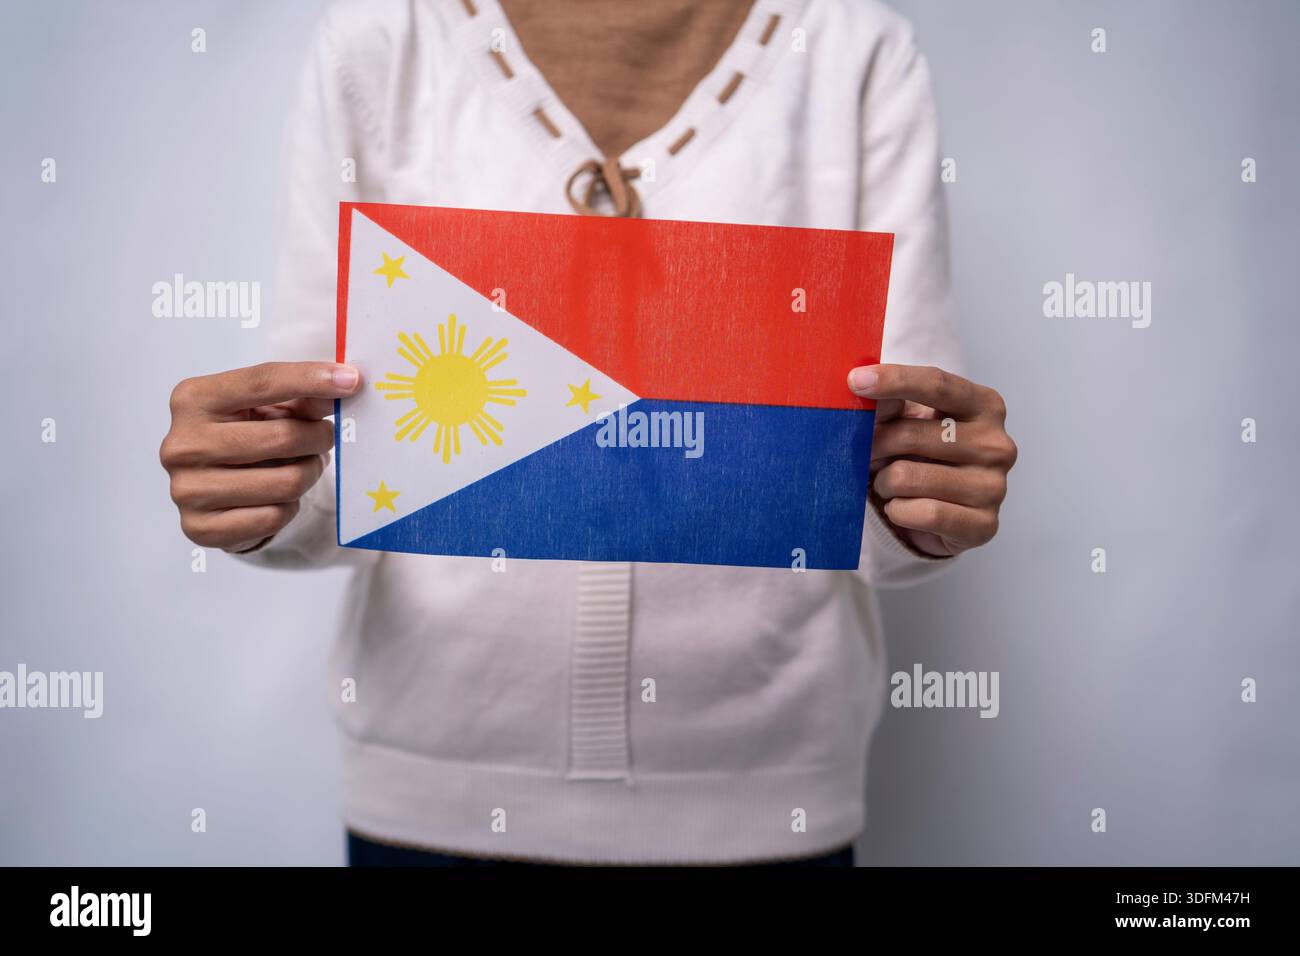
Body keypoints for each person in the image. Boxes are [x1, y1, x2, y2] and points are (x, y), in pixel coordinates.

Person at [159, 0, 1016, 867]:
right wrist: (262, 492)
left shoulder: (854, 48)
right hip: (429, 800)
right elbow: (330, 456)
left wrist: (928, 503)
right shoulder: (383, 39)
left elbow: (897, 491)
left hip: (766, 799)